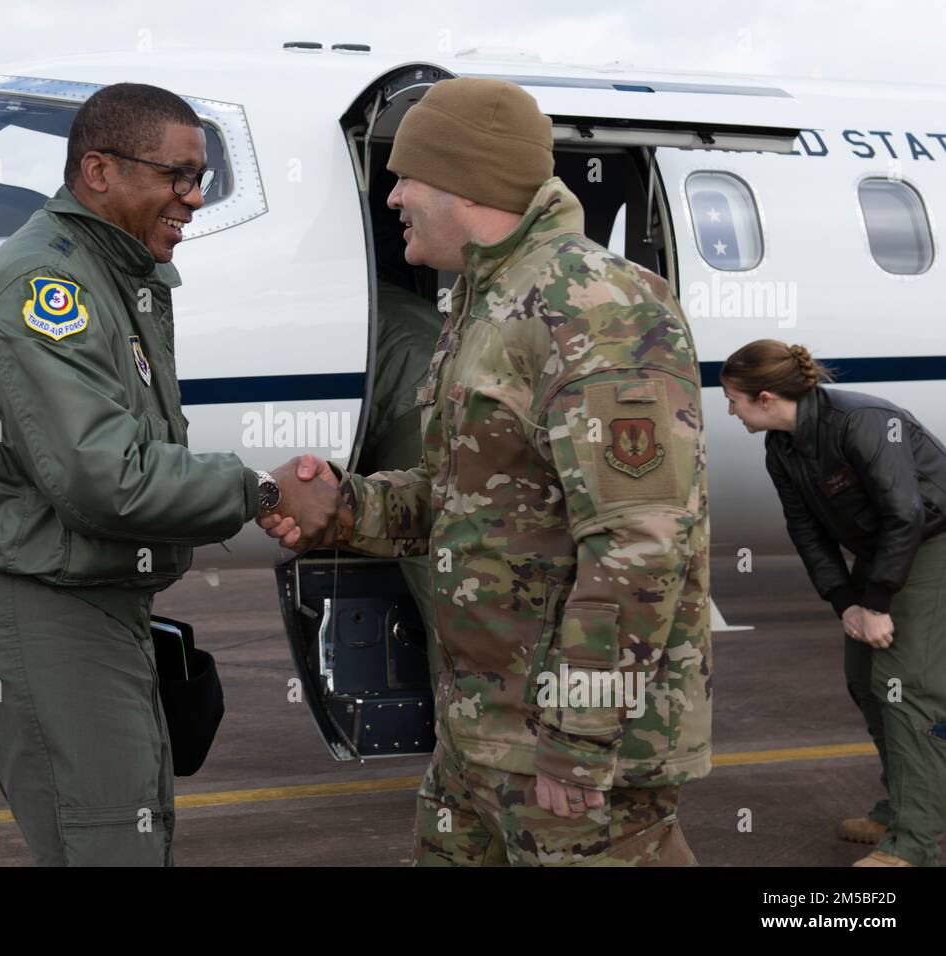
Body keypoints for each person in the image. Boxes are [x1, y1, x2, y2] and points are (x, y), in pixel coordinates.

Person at [263, 77, 711, 866]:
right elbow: (461, 495)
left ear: (464, 183)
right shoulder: (483, 298)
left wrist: (579, 733)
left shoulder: (594, 305)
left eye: (406, 177)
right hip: (480, 733)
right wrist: (346, 505)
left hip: (566, 755)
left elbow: (641, 544)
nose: (393, 196)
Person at [0, 82, 338, 866]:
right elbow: (104, 479)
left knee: (132, 838)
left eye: (201, 177)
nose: (195, 197)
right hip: (39, 613)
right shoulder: (48, 288)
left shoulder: (117, 278)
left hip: (88, 604)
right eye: (177, 176)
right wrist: (264, 490)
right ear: (99, 171)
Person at [721, 339, 946, 867]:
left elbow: (906, 513)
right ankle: (904, 806)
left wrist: (878, 602)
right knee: (864, 679)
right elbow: (807, 532)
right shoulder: (783, 446)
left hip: (932, 543)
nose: (729, 409)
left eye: (734, 399)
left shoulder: (862, 420)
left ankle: (916, 841)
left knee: (906, 688)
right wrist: (845, 601)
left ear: (768, 397)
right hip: (886, 551)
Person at [360, 281, 444, 697]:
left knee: (445, 606)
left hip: (415, 406)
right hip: (425, 388)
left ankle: (462, 742)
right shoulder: (379, 295)